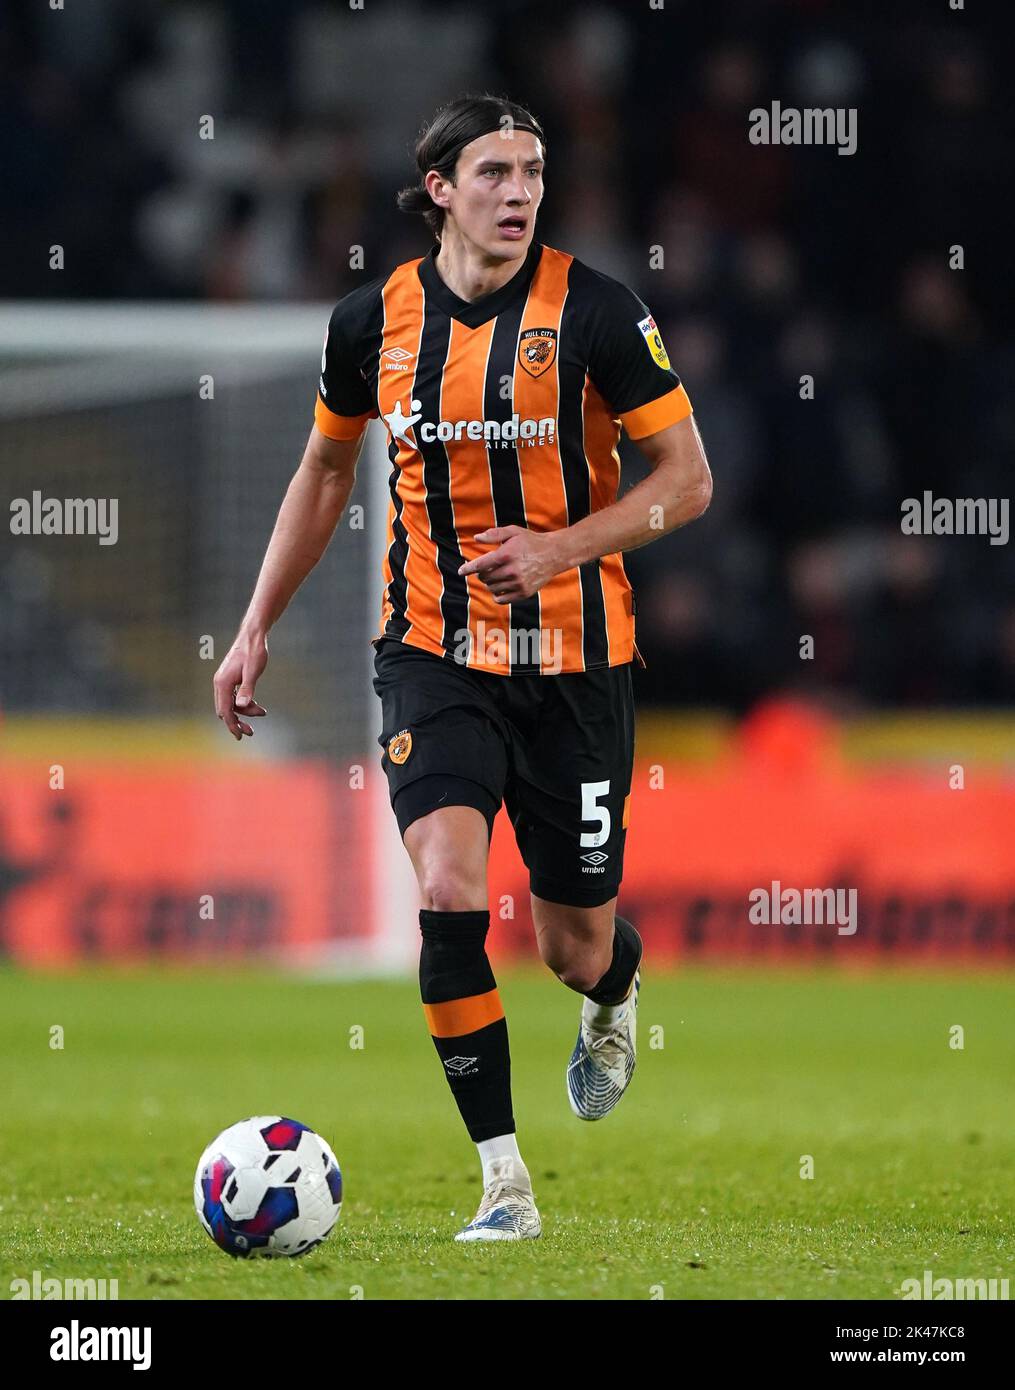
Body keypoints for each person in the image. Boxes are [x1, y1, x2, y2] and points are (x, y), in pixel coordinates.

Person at [214, 93, 712, 1241]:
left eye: (533, 171)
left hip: (578, 659)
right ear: (439, 187)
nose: (520, 191)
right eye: (494, 172)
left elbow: (687, 480)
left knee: (569, 944)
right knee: (445, 893)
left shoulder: (596, 310)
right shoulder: (371, 321)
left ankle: (614, 990)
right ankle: (505, 1183)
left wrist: (560, 548)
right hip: (432, 652)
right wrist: (252, 626)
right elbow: (327, 475)